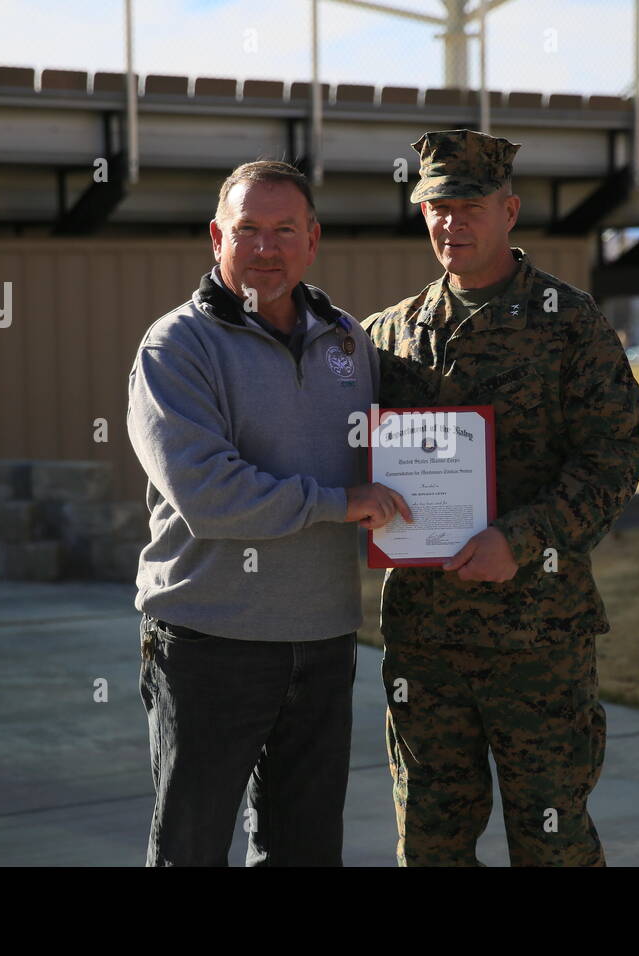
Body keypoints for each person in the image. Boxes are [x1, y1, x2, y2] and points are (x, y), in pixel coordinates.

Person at [363, 129, 639, 866]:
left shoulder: (569, 323)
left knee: (551, 839)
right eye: (435, 207)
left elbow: (615, 456)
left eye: (469, 206)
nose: (450, 223)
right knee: (430, 841)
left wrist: (520, 540)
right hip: (425, 644)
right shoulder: (389, 335)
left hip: (538, 640)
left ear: (509, 209)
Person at [126, 160, 410, 867]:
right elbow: (210, 495)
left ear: (312, 241)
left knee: (305, 851)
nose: (265, 247)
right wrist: (339, 504)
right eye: (247, 229)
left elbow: (389, 458)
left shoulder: (348, 339)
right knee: (190, 849)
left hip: (323, 638)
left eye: (284, 229)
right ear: (216, 237)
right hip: (210, 639)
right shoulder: (177, 347)